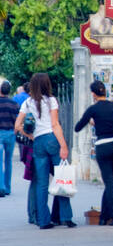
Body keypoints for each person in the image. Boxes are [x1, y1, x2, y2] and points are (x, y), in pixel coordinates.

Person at [14, 72, 75, 230]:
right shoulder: (51, 101)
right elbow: (55, 125)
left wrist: (31, 135)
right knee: (61, 178)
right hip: (52, 139)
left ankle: (43, 221)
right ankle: (66, 217)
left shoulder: (27, 102)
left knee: (42, 183)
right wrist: (63, 145)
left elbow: (17, 126)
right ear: (46, 84)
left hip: (38, 143)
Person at [74, 80, 113, 225]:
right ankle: (103, 217)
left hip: (103, 147)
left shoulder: (93, 109)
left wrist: (92, 121)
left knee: (109, 183)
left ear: (93, 94)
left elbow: (77, 127)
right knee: (112, 183)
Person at [0, 80, 19, 196]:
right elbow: (18, 121)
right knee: (8, 161)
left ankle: (0, 186)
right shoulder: (14, 104)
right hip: (11, 133)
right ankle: (7, 188)